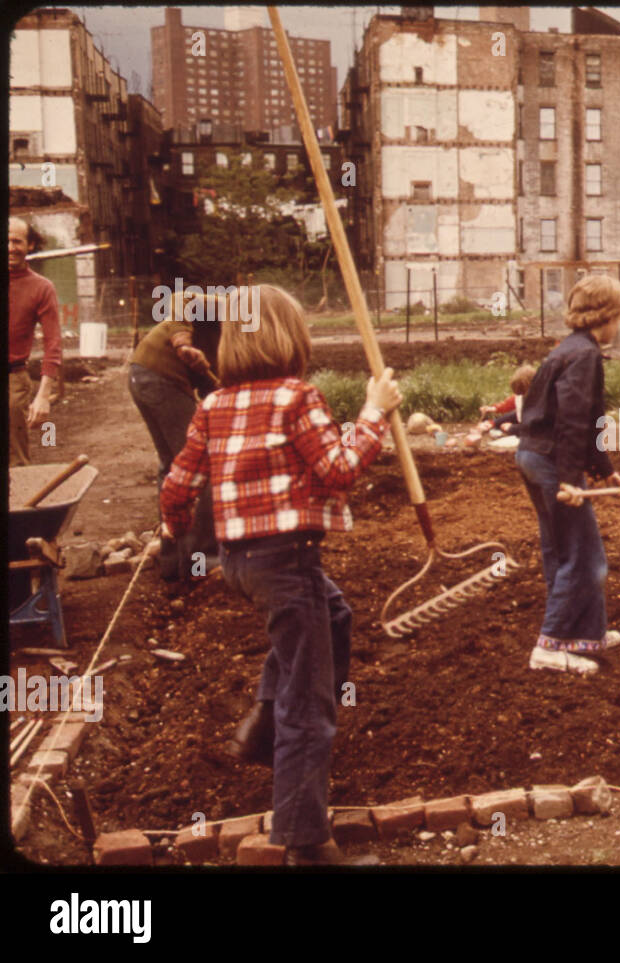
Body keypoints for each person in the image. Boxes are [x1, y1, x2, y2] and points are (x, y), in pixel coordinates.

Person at [160, 285, 401, 866]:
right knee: (311, 704)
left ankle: (264, 722)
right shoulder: (298, 398)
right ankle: (306, 842)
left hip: (240, 564)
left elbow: (178, 484)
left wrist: (172, 528)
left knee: (335, 613)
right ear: (291, 338)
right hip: (288, 562)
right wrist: (375, 412)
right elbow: (339, 470)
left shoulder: (212, 406)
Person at [515, 275, 620, 675]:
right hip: (551, 462)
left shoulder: (570, 349)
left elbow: (588, 419)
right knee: (585, 557)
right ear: (608, 316)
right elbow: (572, 421)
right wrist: (568, 479)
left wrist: (603, 469)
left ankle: (586, 633)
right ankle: (549, 646)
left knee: (561, 549)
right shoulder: (585, 356)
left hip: (532, 456)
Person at [128, 292, 223, 582]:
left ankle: (173, 562)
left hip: (142, 374)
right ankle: (202, 561)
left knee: (171, 465)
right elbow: (181, 298)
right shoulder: (229, 307)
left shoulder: (234, 344)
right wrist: (183, 342)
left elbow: (213, 387)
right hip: (160, 377)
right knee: (202, 466)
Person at [8, 217, 61, 466]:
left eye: (16, 241)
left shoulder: (41, 287)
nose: (10, 247)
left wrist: (43, 396)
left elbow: (53, 344)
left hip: (13, 382)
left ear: (30, 245)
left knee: (16, 464)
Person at [477, 364, 535, 436]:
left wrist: (512, 428)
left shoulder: (542, 401)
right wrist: (494, 408)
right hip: (524, 420)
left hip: (536, 428)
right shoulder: (521, 396)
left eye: (523, 393)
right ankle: (492, 423)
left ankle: (508, 427)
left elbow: (536, 428)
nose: (521, 396)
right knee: (513, 414)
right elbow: (512, 402)